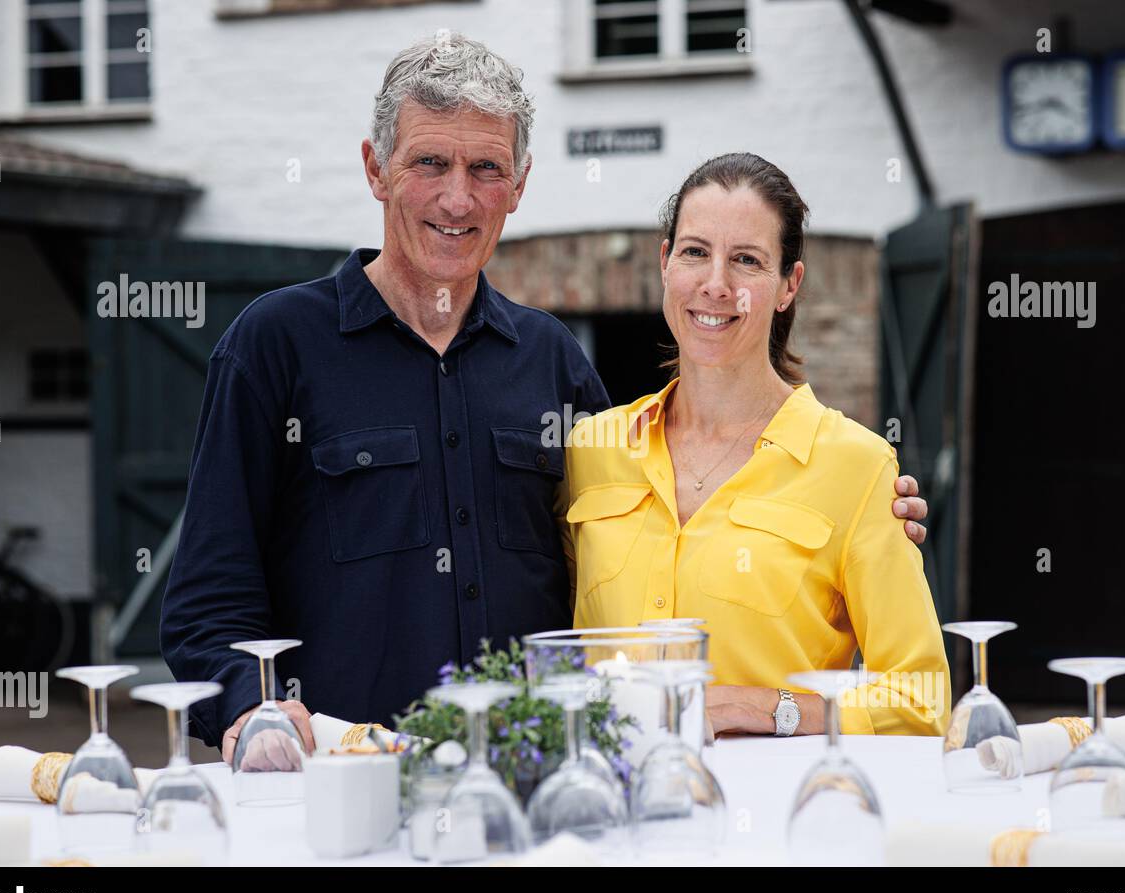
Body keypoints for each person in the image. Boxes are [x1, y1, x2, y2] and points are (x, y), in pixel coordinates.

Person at [160, 34, 932, 767]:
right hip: (349, 786)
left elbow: (625, 552)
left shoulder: (554, 366)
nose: (459, 198)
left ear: (520, 185)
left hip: (538, 787)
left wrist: (863, 507)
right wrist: (245, 709)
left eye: (488, 169)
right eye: (430, 161)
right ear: (375, 168)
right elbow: (205, 605)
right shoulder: (276, 346)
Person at [565, 153, 950, 738]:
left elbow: (922, 699)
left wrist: (766, 708)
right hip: (614, 810)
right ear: (665, 264)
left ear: (787, 286)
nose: (716, 285)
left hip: (772, 815)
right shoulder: (592, 449)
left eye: (747, 261)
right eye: (695, 252)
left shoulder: (857, 465)